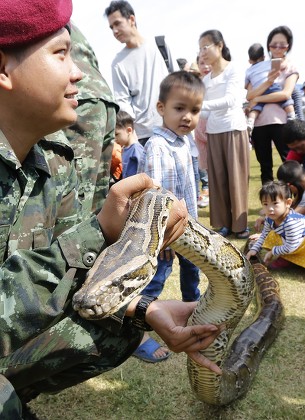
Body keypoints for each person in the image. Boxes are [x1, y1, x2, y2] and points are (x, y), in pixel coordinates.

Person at [0, 1, 222, 417]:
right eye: (61, 54)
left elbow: (51, 277)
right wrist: (97, 232)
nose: (78, 73)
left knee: (112, 329)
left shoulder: (48, 159)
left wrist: (144, 308)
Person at [138, 70, 205, 326]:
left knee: (192, 272)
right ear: (161, 108)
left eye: (195, 110)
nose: (187, 117)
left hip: (188, 228)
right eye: (180, 108)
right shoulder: (158, 145)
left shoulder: (185, 142)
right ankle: (140, 324)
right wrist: (161, 236)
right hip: (166, 232)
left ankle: (193, 310)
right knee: (157, 276)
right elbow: (157, 194)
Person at [47, 22, 119, 215]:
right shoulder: (68, 23)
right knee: (97, 202)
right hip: (101, 99)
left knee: (76, 205)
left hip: (76, 101)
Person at [199, 29, 250, 239]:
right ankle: (222, 224)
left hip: (233, 129)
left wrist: (200, 104)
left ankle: (239, 226)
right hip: (213, 130)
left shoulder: (234, 70)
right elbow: (203, 111)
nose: (202, 52)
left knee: (236, 179)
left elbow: (231, 100)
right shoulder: (205, 80)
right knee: (217, 180)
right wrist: (193, 110)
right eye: (199, 48)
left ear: (219, 46)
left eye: (205, 47)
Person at [105, 1, 173, 146]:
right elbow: (123, 100)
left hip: (172, 127)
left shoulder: (159, 45)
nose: (115, 31)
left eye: (117, 24)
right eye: (111, 27)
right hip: (143, 136)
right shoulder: (118, 63)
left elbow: (175, 81)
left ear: (131, 20)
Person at [246, 26, 299, 184]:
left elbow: (285, 94)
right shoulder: (257, 68)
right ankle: (269, 202)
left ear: (288, 46)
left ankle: (293, 200)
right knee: (265, 166)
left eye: (282, 45)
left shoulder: (290, 67)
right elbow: (249, 95)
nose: (277, 48)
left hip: (282, 122)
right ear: (268, 45)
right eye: (273, 44)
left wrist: (258, 99)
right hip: (260, 123)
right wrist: (266, 84)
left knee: (289, 163)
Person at [246, 181, 305, 269]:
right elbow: (264, 236)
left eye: (275, 203)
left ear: (288, 203)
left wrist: (272, 252)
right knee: (271, 236)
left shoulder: (291, 223)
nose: (270, 209)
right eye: (265, 204)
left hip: (300, 246)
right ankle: (287, 258)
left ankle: (288, 259)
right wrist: (254, 249)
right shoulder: (269, 219)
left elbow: (291, 246)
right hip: (292, 243)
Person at [245, 43, 295, 135]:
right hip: (272, 86)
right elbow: (283, 65)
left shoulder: (248, 71)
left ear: (249, 60)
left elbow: (246, 86)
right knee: (287, 101)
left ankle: (250, 121)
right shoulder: (269, 62)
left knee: (256, 108)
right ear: (263, 57)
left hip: (259, 90)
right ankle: (291, 116)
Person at [195, 53, 211, 208]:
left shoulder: (217, 82)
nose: (206, 66)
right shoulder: (196, 85)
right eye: (202, 63)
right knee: (202, 162)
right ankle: (205, 189)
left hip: (216, 129)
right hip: (199, 129)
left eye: (208, 62)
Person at [115, 110, 144, 179]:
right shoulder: (124, 149)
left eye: (116, 134)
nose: (114, 138)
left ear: (129, 130)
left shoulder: (136, 149)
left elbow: (143, 173)